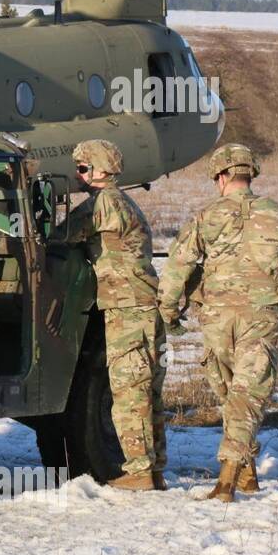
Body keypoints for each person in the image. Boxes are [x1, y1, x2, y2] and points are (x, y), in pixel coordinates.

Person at [159, 144, 278, 502]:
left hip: (217, 317)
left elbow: (178, 264)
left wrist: (168, 309)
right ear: (249, 175)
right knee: (243, 395)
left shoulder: (205, 217)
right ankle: (244, 472)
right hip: (261, 315)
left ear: (222, 177)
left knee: (235, 393)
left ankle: (229, 477)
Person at [62, 139, 167, 491]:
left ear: (100, 171)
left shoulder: (103, 203)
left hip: (126, 307)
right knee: (146, 389)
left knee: (128, 391)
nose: (77, 175)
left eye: (81, 168)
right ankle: (153, 470)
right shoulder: (122, 200)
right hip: (141, 303)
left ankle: (138, 472)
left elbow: (61, 236)